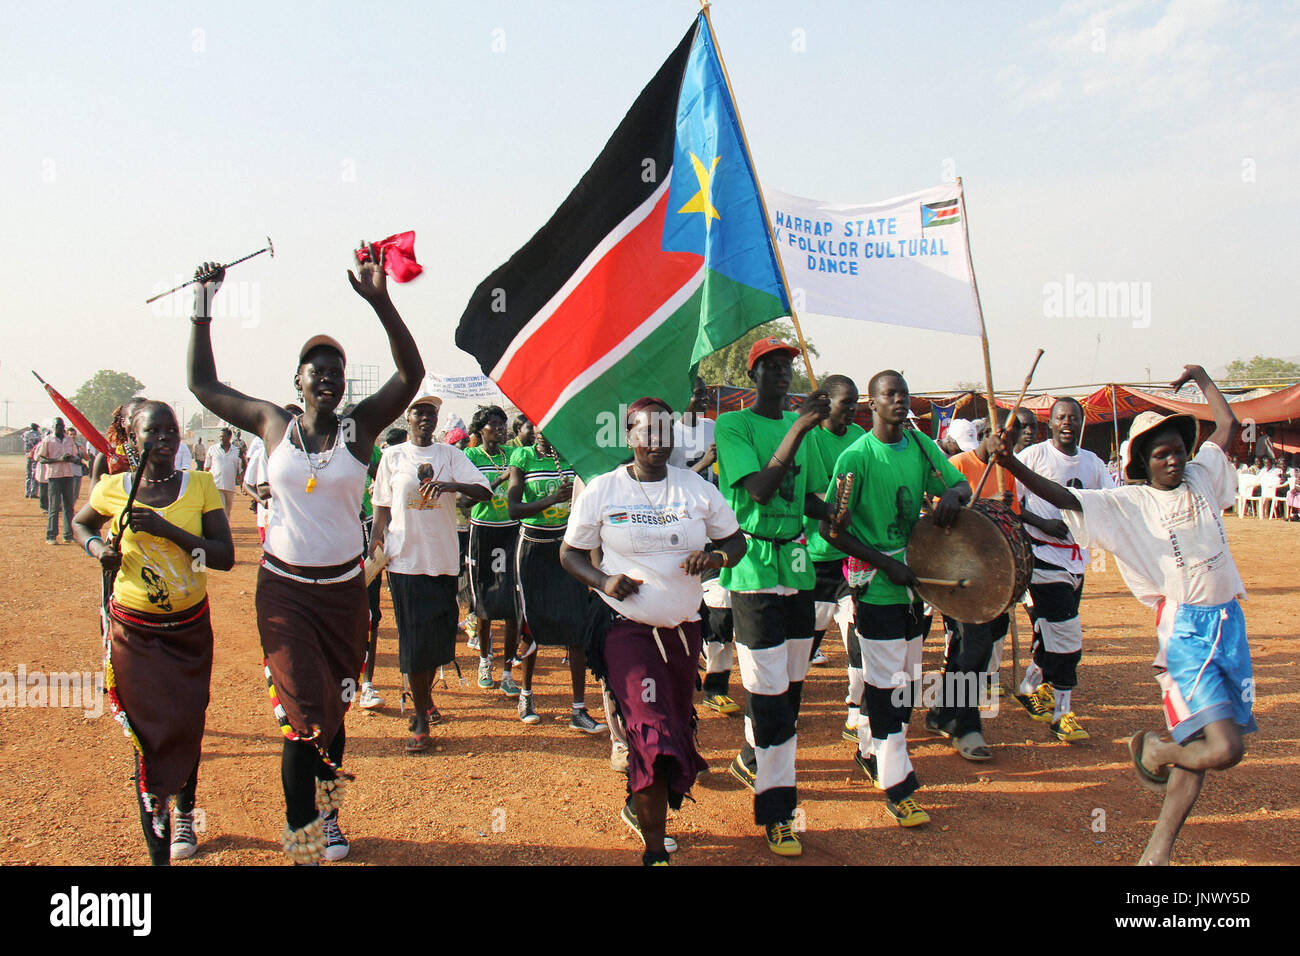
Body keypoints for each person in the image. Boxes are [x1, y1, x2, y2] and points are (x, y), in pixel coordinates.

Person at [187, 244, 423, 863]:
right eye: (315, 368)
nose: (326, 375)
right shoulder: (270, 424)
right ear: (297, 380)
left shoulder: (362, 429)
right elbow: (203, 384)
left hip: (344, 594)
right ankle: (303, 830)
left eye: (335, 369)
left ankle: (328, 814)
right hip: (285, 594)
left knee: (336, 710)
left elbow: (412, 374)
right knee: (301, 715)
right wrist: (202, 307)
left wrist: (382, 304)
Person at [995, 365, 1252, 865]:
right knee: (1224, 749)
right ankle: (1154, 752)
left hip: (1230, 626)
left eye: (1178, 449)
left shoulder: (1203, 477)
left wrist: (1202, 377)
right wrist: (1015, 467)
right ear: (1143, 463)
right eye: (1162, 454)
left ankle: (1155, 853)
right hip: (1187, 634)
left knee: (1202, 743)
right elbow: (1067, 498)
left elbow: (1228, 425)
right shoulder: (1130, 503)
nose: (1174, 459)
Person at [561, 398, 745, 865]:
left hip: (685, 632)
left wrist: (717, 558)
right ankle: (654, 852)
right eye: (646, 432)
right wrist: (604, 580)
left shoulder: (697, 489)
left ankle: (637, 801)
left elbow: (734, 541)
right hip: (627, 631)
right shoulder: (604, 490)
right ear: (629, 436)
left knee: (677, 725)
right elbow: (570, 554)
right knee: (652, 731)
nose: (656, 442)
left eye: (665, 433)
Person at [71, 400, 234, 864]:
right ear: (132, 439)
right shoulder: (113, 488)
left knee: (186, 725)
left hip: (188, 631)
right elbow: (82, 524)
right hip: (135, 633)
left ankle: (185, 809)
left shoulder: (199, 486)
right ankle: (158, 851)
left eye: (171, 429)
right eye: (152, 430)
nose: (164, 436)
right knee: (149, 735)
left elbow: (222, 556)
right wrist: (98, 547)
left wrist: (168, 530)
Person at [823, 369, 971, 827]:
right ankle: (898, 784)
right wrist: (886, 564)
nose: (900, 401)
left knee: (904, 682)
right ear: (872, 404)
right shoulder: (855, 457)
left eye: (904, 393)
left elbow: (961, 484)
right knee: (890, 688)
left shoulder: (923, 446)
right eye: (890, 394)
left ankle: (871, 750)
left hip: (917, 585)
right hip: (877, 585)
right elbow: (833, 528)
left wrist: (952, 497)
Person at [713, 337, 830, 856]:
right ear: (754, 373)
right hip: (753, 565)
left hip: (799, 565)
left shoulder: (801, 427)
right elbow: (758, 489)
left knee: (794, 690)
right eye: (773, 366)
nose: (784, 373)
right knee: (770, 696)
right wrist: (800, 429)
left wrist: (835, 515)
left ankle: (751, 754)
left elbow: (808, 497)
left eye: (788, 365)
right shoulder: (733, 425)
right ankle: (778, 811)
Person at [371, 395, 490, 751]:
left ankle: (423, 697)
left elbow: (483, 490)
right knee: (413, 639)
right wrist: (376, 541)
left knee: (439, 641)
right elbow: (380, 507)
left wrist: (451, 485)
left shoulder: (450, 456)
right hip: (405, 560)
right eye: (419, 412)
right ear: (408, 417)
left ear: (437, 419)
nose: (425, 418)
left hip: (442, 560)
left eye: (431, 413)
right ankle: (421, 720)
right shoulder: (393, 457)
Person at [925, 408, 1024, 762]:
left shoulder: (1006, 470)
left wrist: (1004, 509)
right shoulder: (961, 465)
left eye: (1011, 441)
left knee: (974, 649)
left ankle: (941, 711)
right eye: (1001, 439)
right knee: (977, 647)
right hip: (959, 572)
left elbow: (1012, 515)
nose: (1005, 445)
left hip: (996, 573)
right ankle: (967, 726)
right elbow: (942, 517)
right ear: (986, 437)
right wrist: (976, 507)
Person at [1012, 397, 1113, 741]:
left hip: (1076, 559)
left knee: (1053, 633)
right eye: (1061, 418)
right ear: (1051, 424)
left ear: (1082, 423)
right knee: (1068, 635)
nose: (1067, 423)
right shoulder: (1034, 457)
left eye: (1073, 417)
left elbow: (1110, 502)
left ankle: (1029, 686)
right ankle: (1063, 713)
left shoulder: (1093, 463)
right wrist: (1043, 522)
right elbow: (1009, 501)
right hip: (1041, 557)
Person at [507, 430, 606, 733]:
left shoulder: (573, 457)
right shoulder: (522, 456)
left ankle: (579, 708)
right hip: (533, 546)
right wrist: (551, 499)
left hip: (569, 548)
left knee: (576, 626)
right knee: (531, 625)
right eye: (537, 423)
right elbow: (514, 507)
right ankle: (526, 695)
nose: (543, 429)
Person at [802, 375, 866, 715]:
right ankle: (786, 704)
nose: (854, 410)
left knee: (858, 633)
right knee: (801, 645)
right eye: (847, 403)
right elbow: (803, 494)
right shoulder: (808, 438)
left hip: (850, 557)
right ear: (827, 402)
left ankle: (857, 707)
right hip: (812, 559)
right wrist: (833, 505)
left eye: (857, 403)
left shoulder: (860, 439)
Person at [464, 405, 523, 695]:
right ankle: (484, 660)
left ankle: (509, 669)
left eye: (502, 423)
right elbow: (470, 495)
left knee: (513, 602)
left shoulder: (512, 455)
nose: (500, 428)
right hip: (483, 532)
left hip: (511, 531)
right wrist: (501, 478)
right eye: (493, 424)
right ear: (480, 429)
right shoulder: (470, 456)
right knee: (485, 601)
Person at [36, 417, 81, 543]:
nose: (60, 428)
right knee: (54, 507)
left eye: (61, 426)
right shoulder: (48, 440)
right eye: (57, 426)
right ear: (53, 427)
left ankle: (68, 535)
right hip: (54, 477)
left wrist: (70, 459)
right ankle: (51, 536)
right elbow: (42, 459)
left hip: (67, 475)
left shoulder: (69, 440)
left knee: (68, 507)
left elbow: (75, 456)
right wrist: (59, 460)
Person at [668, 377, 717, 480]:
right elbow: (669, 480)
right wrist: (703, 463)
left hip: (708, 494)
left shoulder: (712, 426)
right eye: (699, 393)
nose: (705, 397)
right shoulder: (669, 432)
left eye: (706, 393)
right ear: (683, 396)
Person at [204, 428, 241, 516]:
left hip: (230, 485)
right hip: (216, 485)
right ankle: (221, 528)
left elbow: (240, 469)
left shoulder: (236, 451)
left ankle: (225, 527)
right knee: (221, 509)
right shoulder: (213, 449)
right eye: (220, 436)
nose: (221, 438)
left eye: (223, 436)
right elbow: (206, 467)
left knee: (227, 510)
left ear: (229, 437)